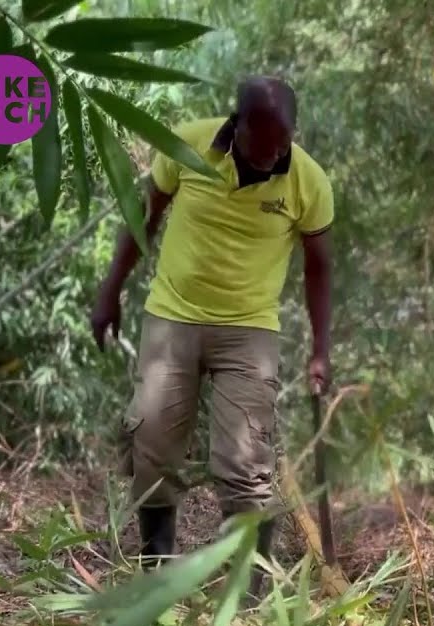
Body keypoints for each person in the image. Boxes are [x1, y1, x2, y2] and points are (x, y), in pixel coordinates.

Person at [88, 76, 334, 599]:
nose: (271, 154)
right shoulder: (189, 145)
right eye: (262, 141)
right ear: (236, 124)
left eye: (282, 143)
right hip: (172, 318)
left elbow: (318, 268)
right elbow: (144, 220)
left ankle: (248, 590)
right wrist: (110, 290)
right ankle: (156, 571)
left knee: (246, 465)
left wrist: (320, 350)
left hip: (249, 331)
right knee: (151, 445)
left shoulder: (308, 182)